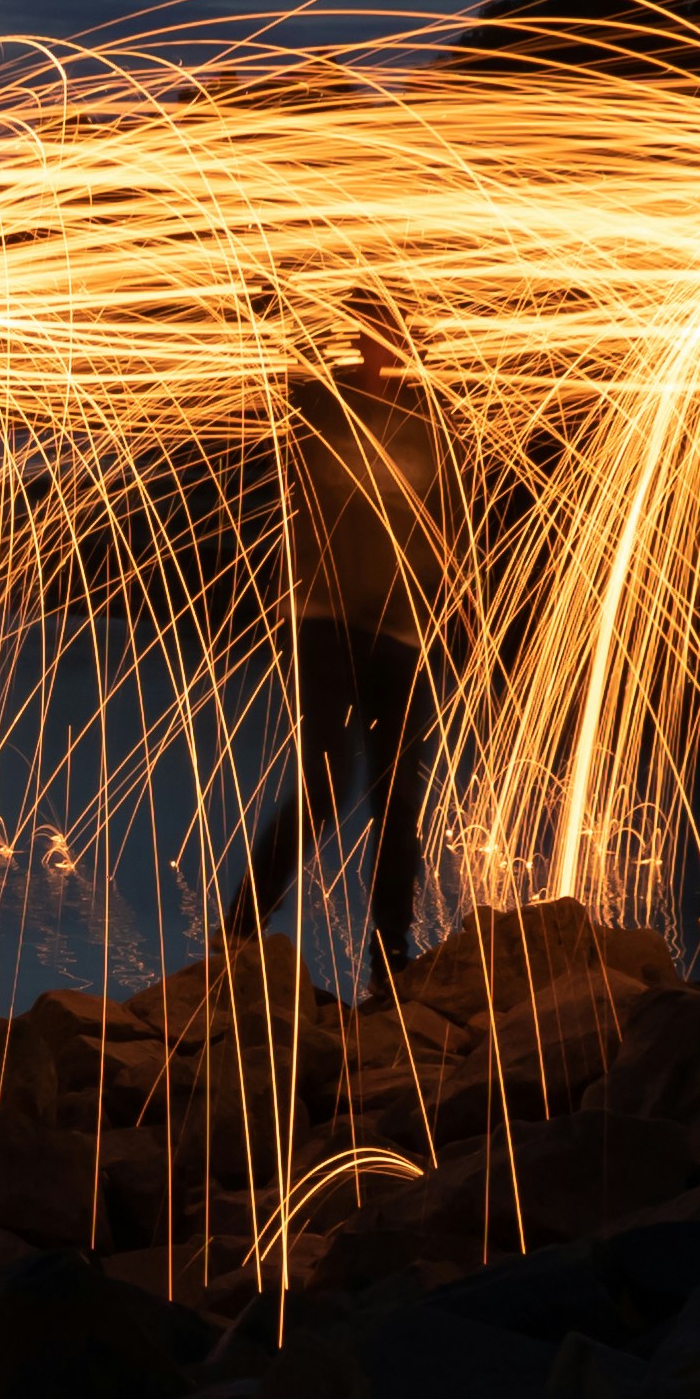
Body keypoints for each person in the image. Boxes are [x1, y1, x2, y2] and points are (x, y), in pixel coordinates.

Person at [235, 297, 458, 985]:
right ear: (354, 340)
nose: (379, 346)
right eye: (368, 333)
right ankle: (239, 933)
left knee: (398, 800)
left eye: (391, 333)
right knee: (327, 783)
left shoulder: (432, 422)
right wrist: (268, 296)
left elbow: (450, 524)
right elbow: (266, 366)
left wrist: (457, 611)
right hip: (324, 618)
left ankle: (388, 963)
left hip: (400, 631)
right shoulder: (319, 406)